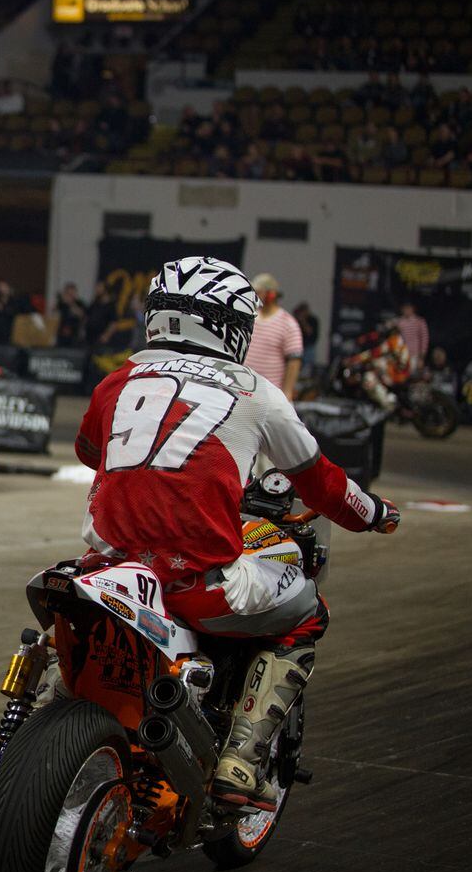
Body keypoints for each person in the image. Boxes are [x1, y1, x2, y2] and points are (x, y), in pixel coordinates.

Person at [74, 256, 400, 812]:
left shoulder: (117, 379)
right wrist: (374, 512)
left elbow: (90, 452)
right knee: (307, 611)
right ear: (232, 326)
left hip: (106, 570)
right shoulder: (257, 392)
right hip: (195, 586)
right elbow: (323, 486)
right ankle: (241, 759)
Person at [243, 273, 303, 400]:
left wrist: (287, 393)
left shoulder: (287, 323)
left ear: (271, 295)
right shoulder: (250, 317)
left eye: (259, 292)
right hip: (243, 388)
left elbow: (294, 361)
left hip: (270, 394)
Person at [395, 301, 429, 371]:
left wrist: (421, 358)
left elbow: (424, 339)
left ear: (413, 309)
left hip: (415, 355)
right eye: (405, 308)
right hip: (402, 355)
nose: (407, 310)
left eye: (409, 308)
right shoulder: (399, 322)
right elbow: (396, 339)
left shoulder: (419, 321)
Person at [55, 282, 87, 347]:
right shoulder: (62, 303)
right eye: (68, 293)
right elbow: (53, 314)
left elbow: (83, 315)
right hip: (61, 335)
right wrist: (61, 301)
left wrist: (71, 304)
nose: (70, 295)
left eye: (72, 293)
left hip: (74, 336)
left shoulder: (80, 303)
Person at [293, 302, 320, 367]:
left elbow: (309, 331)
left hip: (309, 347)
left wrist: (303, 321)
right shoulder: (296, 320)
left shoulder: (312, 320)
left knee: (308, 367)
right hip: (299, 347)